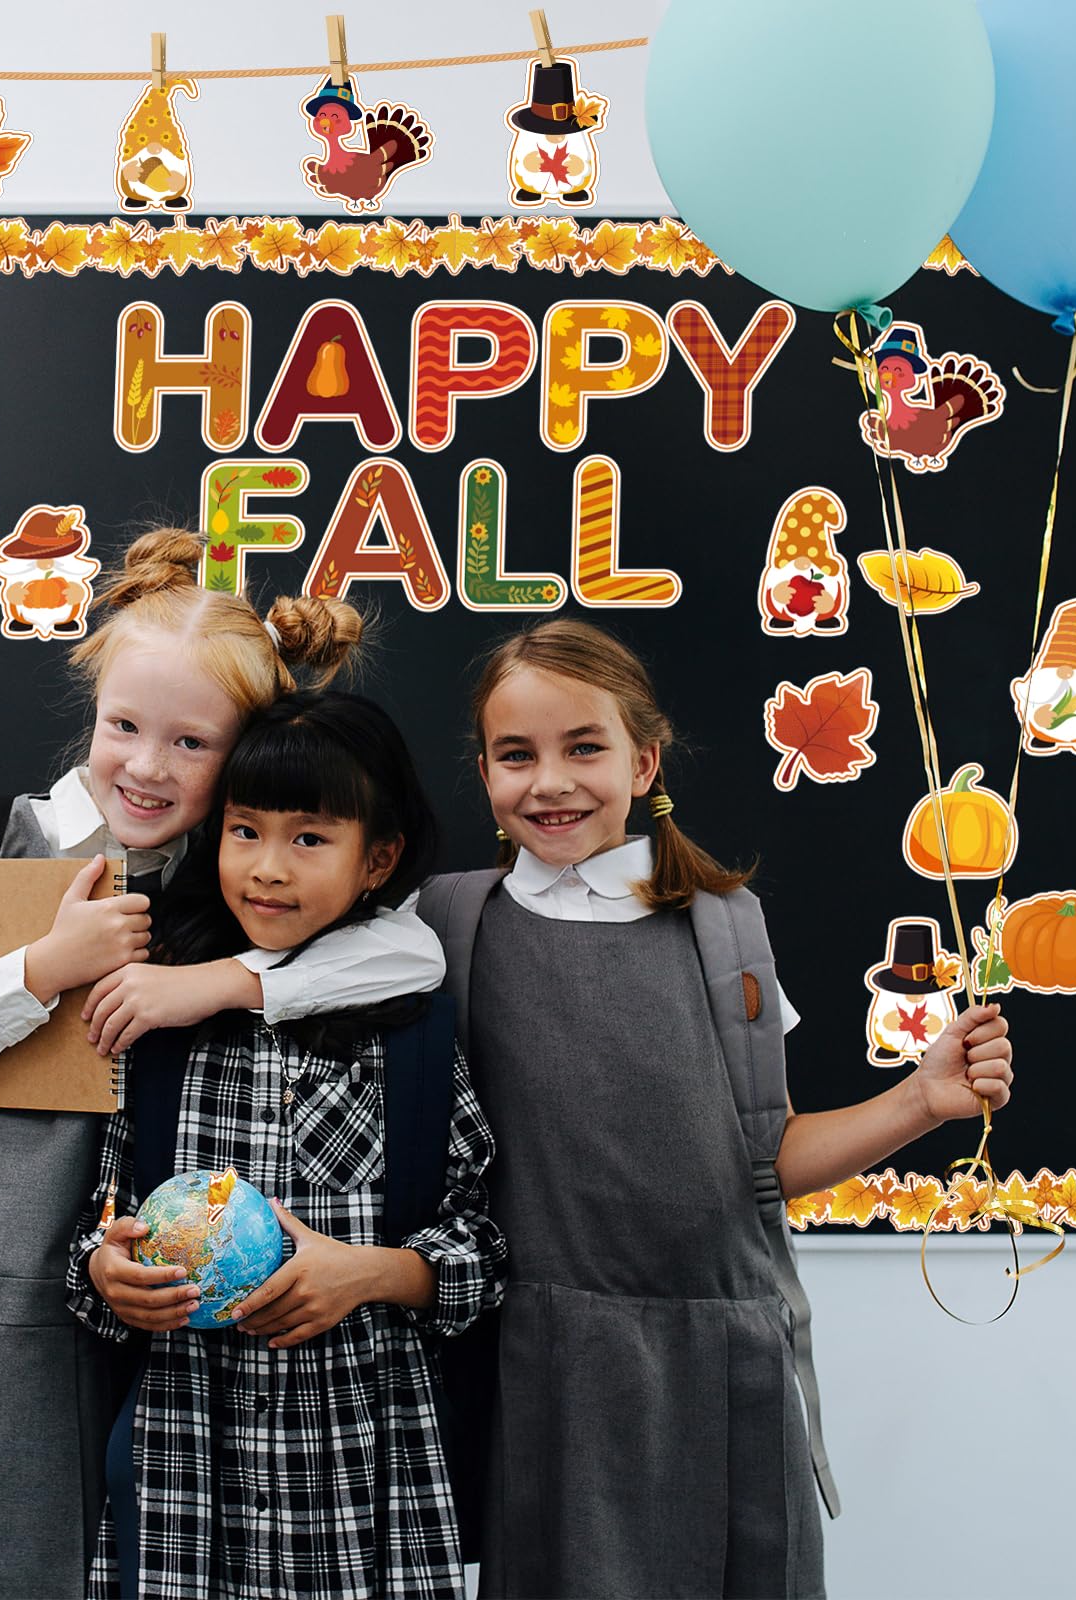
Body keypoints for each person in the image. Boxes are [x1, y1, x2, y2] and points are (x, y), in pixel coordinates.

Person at [0, 532, 447, 1600]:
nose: (147, 766)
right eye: (124, 726)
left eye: (192, 743)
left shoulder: (238, 879)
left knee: (21, 1555)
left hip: (90, 1291)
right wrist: (39, 968)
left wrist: (215, 981)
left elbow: (414, 948)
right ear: (95, 713)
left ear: (242, 748)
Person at [419, 618, 1015, 1600]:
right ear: (482, 773)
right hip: (542, 1372)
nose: (550, 780)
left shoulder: (723, 928)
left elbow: (762, 1157)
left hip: (719, 1366)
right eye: (515, 754)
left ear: (643, 758)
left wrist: (920, 1098)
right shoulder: (448, 924)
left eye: (584, 747)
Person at [68, 691, 507, 1600]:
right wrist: (108, 1275)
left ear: (377, 859)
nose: (267, 869)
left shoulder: (414, 1037)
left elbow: (485, 1245)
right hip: (186, 1470)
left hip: (363, 1483)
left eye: (309, 839)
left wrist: (375, 1272)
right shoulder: (158, 1034)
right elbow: (95, 1225)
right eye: (243, 831)